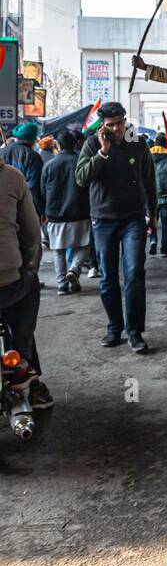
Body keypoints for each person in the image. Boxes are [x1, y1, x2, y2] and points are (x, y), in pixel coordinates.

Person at [75, 101, 157, 353]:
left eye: (119, 122)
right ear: (103, 125)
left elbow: (149, 178)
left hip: (133, 218)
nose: (116, 128)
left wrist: (152, 214)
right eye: (110, 125)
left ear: (124, 120)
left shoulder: (138, 142)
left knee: (134, 274)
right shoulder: (92, 144)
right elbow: (81, 178)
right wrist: (102, 152)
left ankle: (134, 332)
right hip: (103, 221)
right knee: (108, 278)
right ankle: (114, 328)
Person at [0, 147, 52, 407]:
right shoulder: (12, 177)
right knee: (28, 285)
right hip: (7, 282)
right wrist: (27, 264)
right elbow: (32, 235)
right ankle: (24, 366)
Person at [42, 129, 91, 294]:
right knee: (84, 245)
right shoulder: (80, 162)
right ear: (75, 143)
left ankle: (62, 285)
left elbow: (43, 191)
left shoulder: (49, 165)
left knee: (58, 250)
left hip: (55, 215)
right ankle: (75, 269)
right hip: (80, 212)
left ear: (58, 145)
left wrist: (45, 211)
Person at [1, 122, 45, 218]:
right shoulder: (33, 156)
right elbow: (33, 187)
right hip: (26, 208)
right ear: (32, 140)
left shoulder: (2, 152)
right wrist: (40, 209)